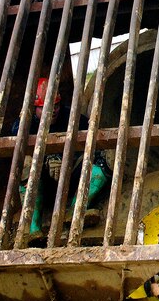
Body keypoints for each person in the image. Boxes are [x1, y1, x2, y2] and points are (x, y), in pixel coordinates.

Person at [11, 77, 110, 240]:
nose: (53, 110)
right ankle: (32, 226)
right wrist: (46, 158)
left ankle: (75, 212)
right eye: (45, 108)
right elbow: (16, 150)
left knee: (105, 157)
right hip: (43, 184)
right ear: (34, 108)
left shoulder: (72, 117)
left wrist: (67, 159)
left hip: (72, 177)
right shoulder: (23, 124)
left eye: (56, 105)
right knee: (27, 163)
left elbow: (93, 143)